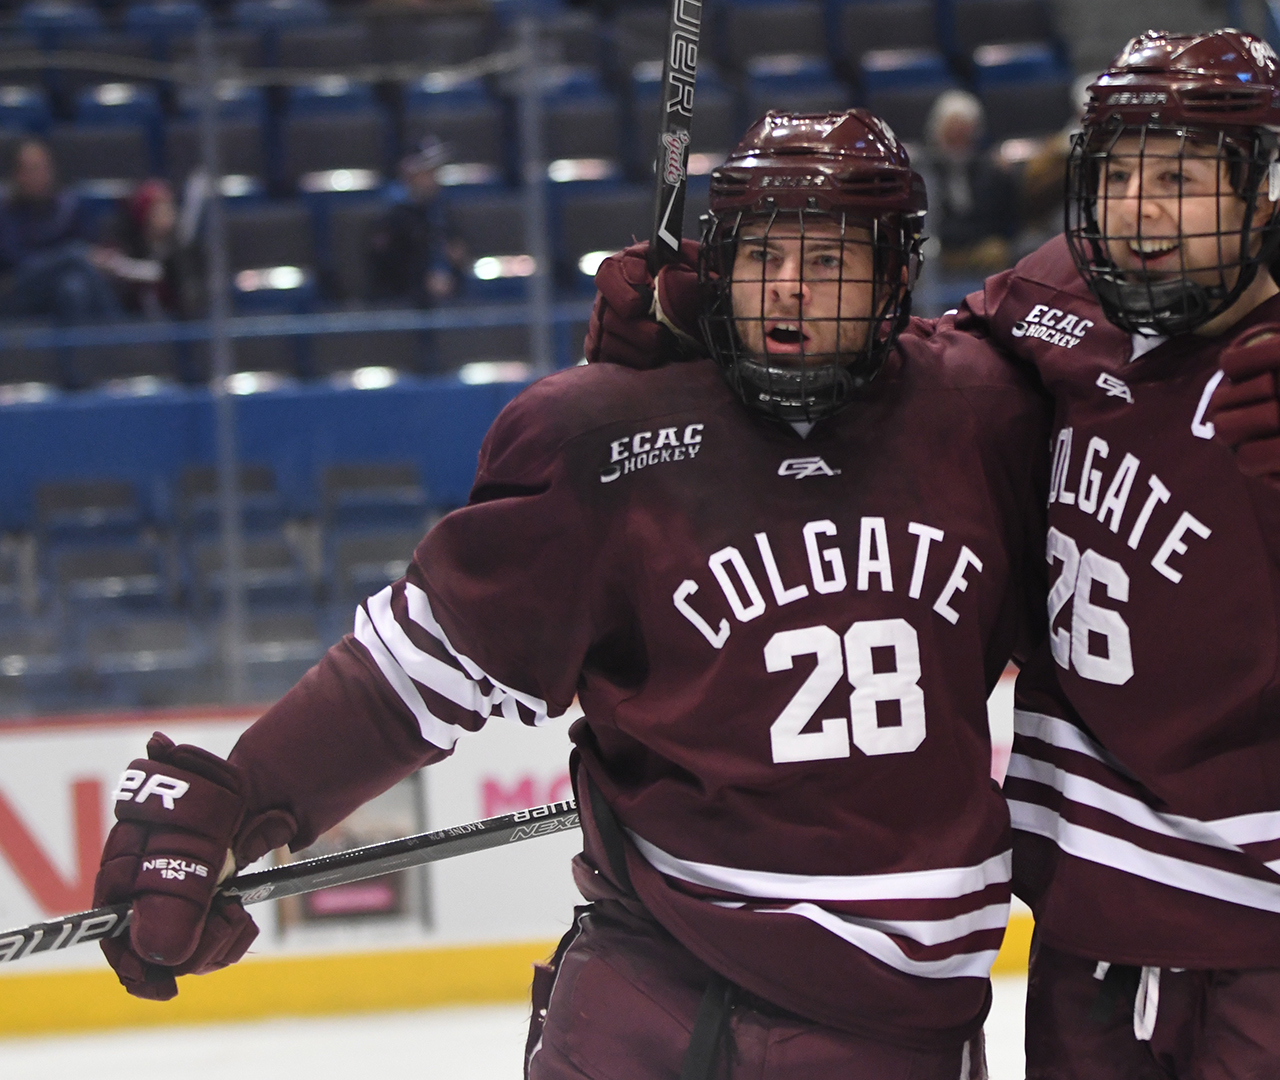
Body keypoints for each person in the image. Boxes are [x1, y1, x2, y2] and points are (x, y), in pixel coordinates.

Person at [589, 30, 1280, 1079]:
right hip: (1094, 948)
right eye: (1116, 174)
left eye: (1181, 178)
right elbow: (896, 396)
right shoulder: (1054, 304)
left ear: (1268, 189)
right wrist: (716, 344)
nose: (1139, 211)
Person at [91, 109, 1050, 1079]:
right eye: (765, 255)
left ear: (896, 274)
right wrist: (243, 799)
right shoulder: (610, 438)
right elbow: (413, 673)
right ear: (716, 265)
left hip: (900, 1034)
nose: (792, 288)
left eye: (831, 260)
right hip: (660, 1004)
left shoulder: (984, 413)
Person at [0, 138, 122, 323]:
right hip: (17, 290)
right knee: (73, 255)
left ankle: (85, 350)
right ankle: (120, 331)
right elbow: (16, 261)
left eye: (45, 167)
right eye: (33, 169)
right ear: (18, 175)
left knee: (73, 288)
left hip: (60, 286)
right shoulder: (5, 211)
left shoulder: (67, 206)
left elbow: (89, 248)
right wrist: (64, 258)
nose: (42, 175)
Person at [923, 89, 1021, 274]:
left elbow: (1007, 217)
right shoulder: (925, 171)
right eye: (952, 133)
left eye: (964, 132)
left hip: (983, 248)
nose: (958, 140)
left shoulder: (993, 171)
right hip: (940, 249)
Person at [365, 136, 469, 305]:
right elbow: (386, 272)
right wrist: (423, 282)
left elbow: (457, 253)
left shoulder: (441, 210)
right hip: (401, 309)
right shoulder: (388, 217)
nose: (434, 179)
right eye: (428, 172)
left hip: (445, 305)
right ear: (409, 174)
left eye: (436, 172)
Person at [95, 177, 206, 319]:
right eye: (158, 210)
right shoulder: (128, 244)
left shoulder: (182, 249)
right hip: (131, 318)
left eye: (168, 207)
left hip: (174, 319)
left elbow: (183, 285)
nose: (166, 215)